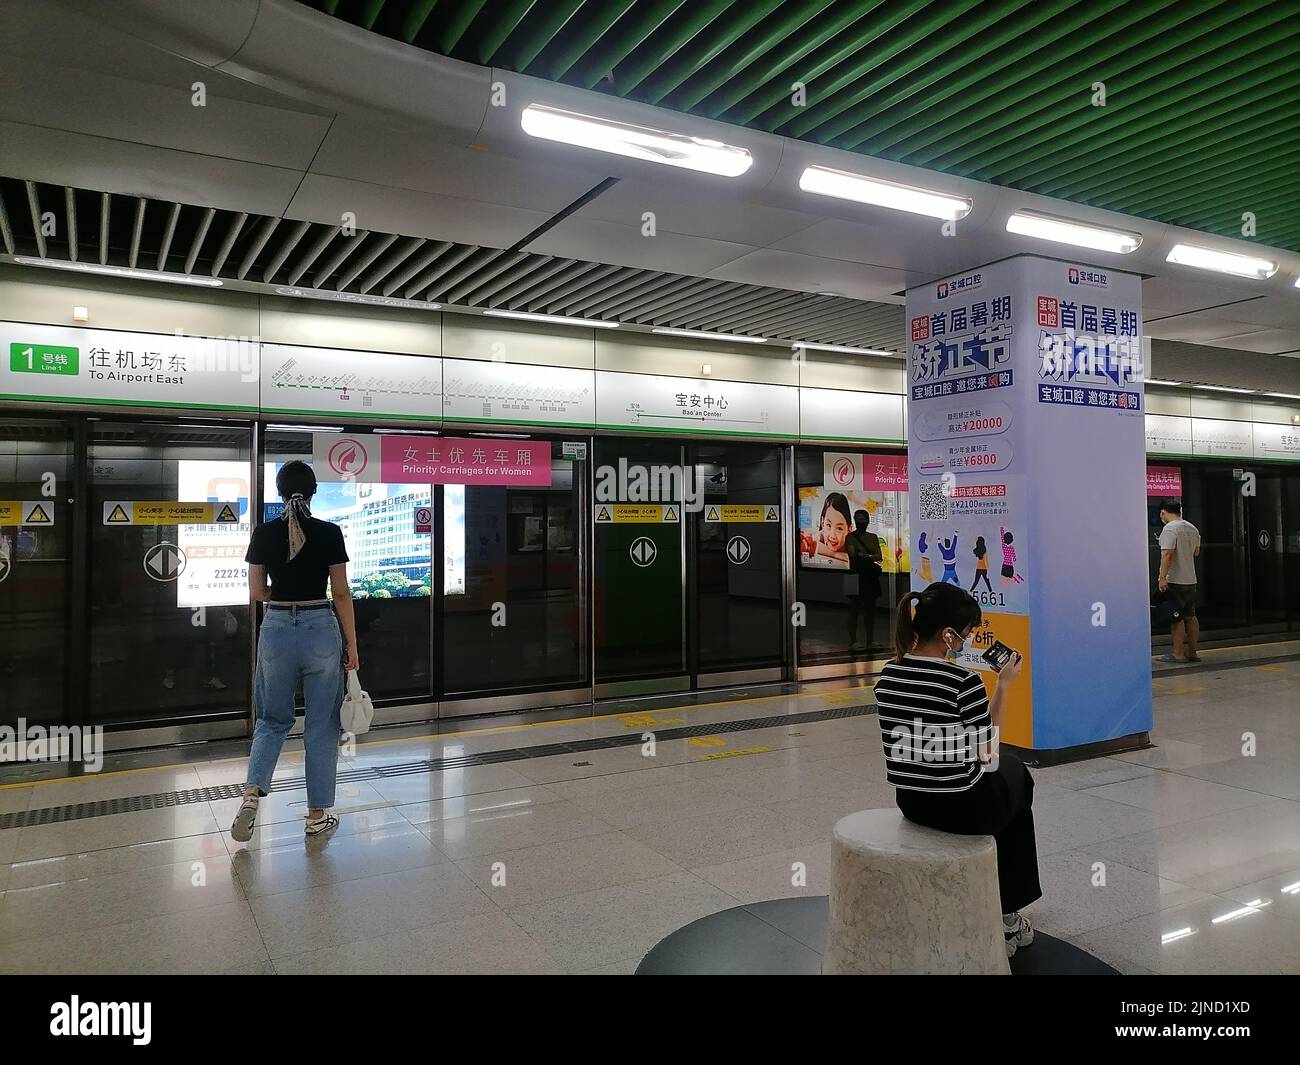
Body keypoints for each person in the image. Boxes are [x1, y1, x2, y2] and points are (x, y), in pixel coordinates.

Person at [873, 583, 1040, 959]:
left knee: (1007, 780)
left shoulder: (887, 676)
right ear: (948, 635)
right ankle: (1008, 913)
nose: (967, 641)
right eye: (966, 634)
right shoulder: (962, 682)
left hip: (912, 802)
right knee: (1017, 778)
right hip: (962, 807)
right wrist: (1005, 686)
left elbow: (914, 742)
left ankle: (1004, 909)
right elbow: (988, 752)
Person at [231, 461, 359, 842]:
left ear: (279, 491)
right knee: (321, 724)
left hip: (276, 629)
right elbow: (339, 592)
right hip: (320, 627)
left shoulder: (264, 533)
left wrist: (280, 601)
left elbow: (256, 592)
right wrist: (351, 644)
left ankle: (252, 795)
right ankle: (316, 815)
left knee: (271, 720)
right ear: (314, 491)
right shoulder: (330, 533)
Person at [1157, 500, 1202, 663]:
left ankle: (1178, 654)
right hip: (1191, 579)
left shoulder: (1169, 529)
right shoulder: (1192, 528)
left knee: (1176, 617)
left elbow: (1167, 554)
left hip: (1175, 579)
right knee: (1191, 616)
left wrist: (1162, 578)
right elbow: (1196, 552)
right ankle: (1193, 653)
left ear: (1163, 512)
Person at [845, 509, 884, 653]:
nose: (860, 522)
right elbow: (853, 555)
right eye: (858, 519)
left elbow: (879, 556)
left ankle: (870, 640)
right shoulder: (850, 537)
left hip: (869, 576)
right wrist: (869, 556)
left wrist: (864, 555)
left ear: (867, 521)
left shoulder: (873, 537)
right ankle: (853, 641)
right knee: (853, 609)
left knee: (870, 610)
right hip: (854, 575)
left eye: (863, 519)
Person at [800, 491, 852, 564]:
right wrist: (834, 554)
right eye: (828, 525)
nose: (832, 536)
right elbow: (814, 543)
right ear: (822, 522)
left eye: (839, 528)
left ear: (849, 529)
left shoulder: (852, 542)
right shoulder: (820, 536)